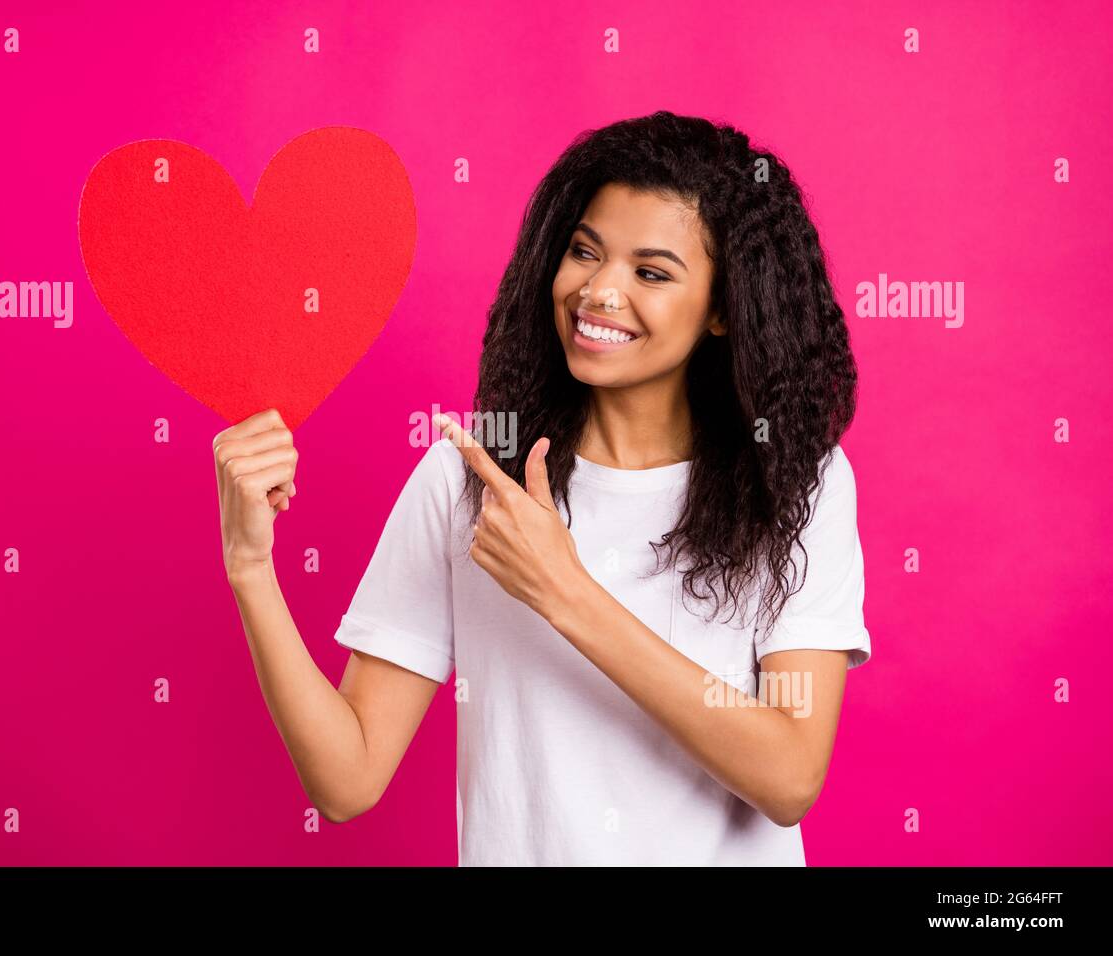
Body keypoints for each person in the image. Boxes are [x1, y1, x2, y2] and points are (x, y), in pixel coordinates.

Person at [214, 111, 872, 866]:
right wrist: (251, 568)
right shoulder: (470, 476)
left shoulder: (796, 481)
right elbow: (347, 779)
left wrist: (564, 590)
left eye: (650, 273)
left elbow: (788, 776)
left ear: (725, 307)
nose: (598, 291)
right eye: (584, 252)